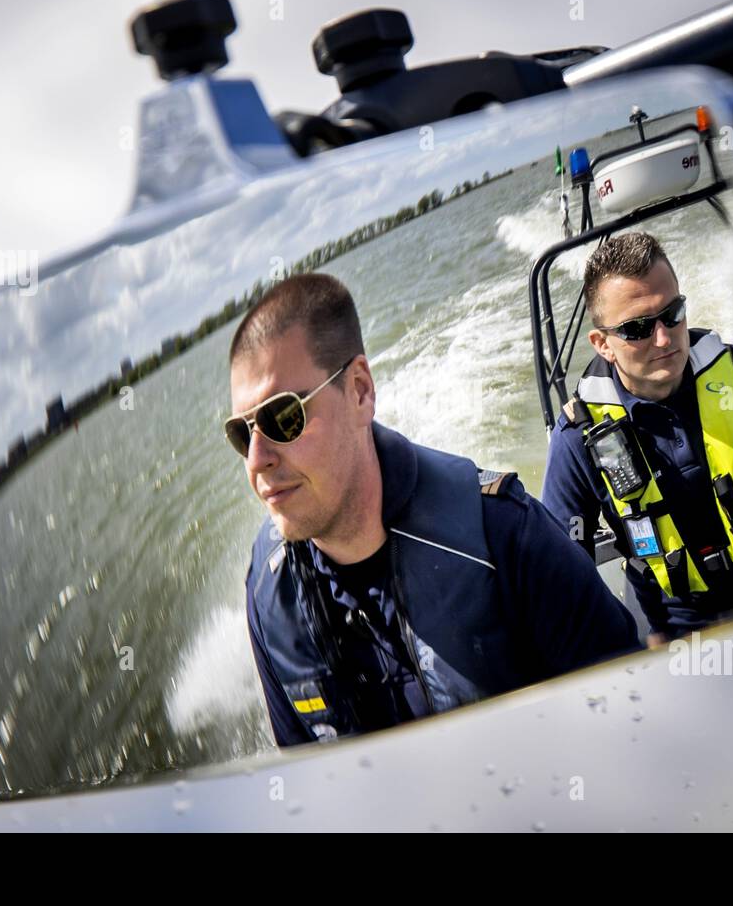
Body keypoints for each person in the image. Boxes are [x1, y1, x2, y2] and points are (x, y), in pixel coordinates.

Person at [229, 273, 639, 747]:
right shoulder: (266, 593)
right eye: (242, 434)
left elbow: (631, 720)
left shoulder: (506, 537)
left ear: (360, 391)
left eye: (283, 418)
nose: (257, 460)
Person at [542, 231, 733, 644]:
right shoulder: (577, 436)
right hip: (681, 631)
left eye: (673, 313)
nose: (665, 338)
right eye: (637, 329)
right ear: (602, 344)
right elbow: (563, 573)